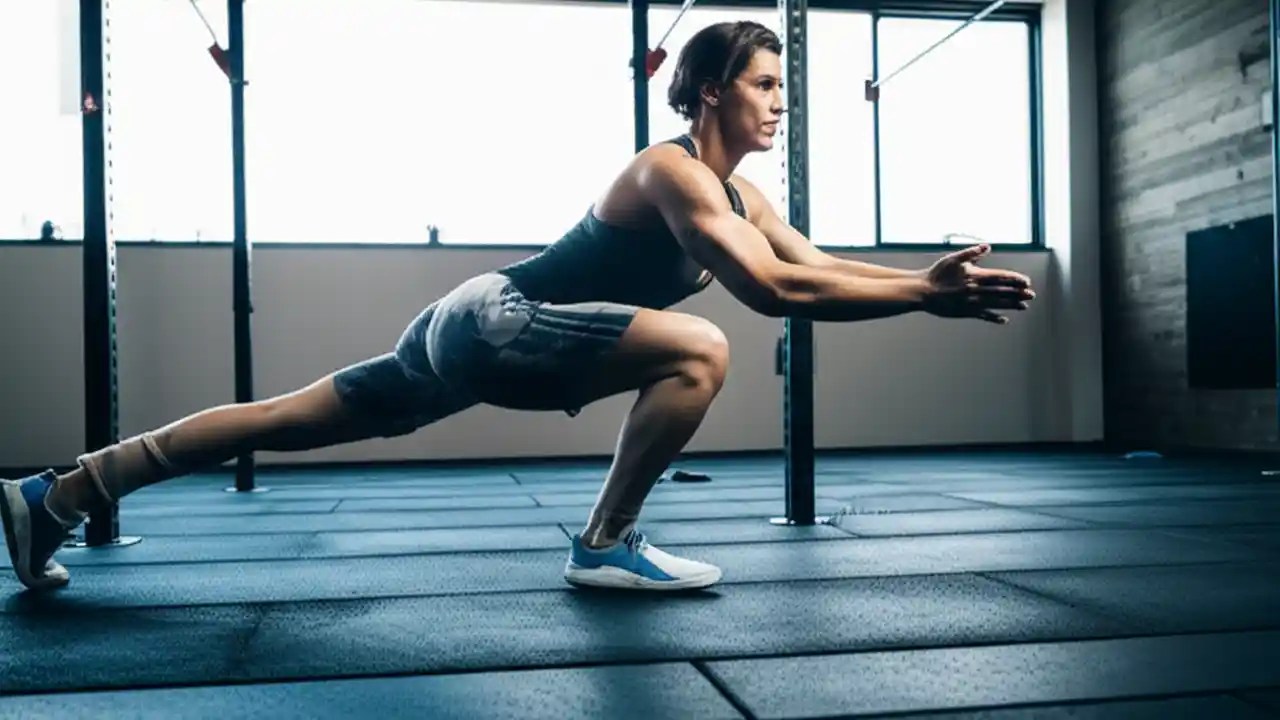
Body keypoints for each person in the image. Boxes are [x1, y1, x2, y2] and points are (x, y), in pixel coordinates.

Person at [1, 20, 1034, 594]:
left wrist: (918, 284)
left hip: (466, 325)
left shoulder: (742, 195)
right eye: (764, 84)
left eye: (782, 89)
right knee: (702, 347)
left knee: (286, 420)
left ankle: (56, 494)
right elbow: (775, 291)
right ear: (711, 91)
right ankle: (605, 542)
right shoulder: (669, 172)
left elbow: (812, 262)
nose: (777, 102)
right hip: (498, 319)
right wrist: (918, 302)